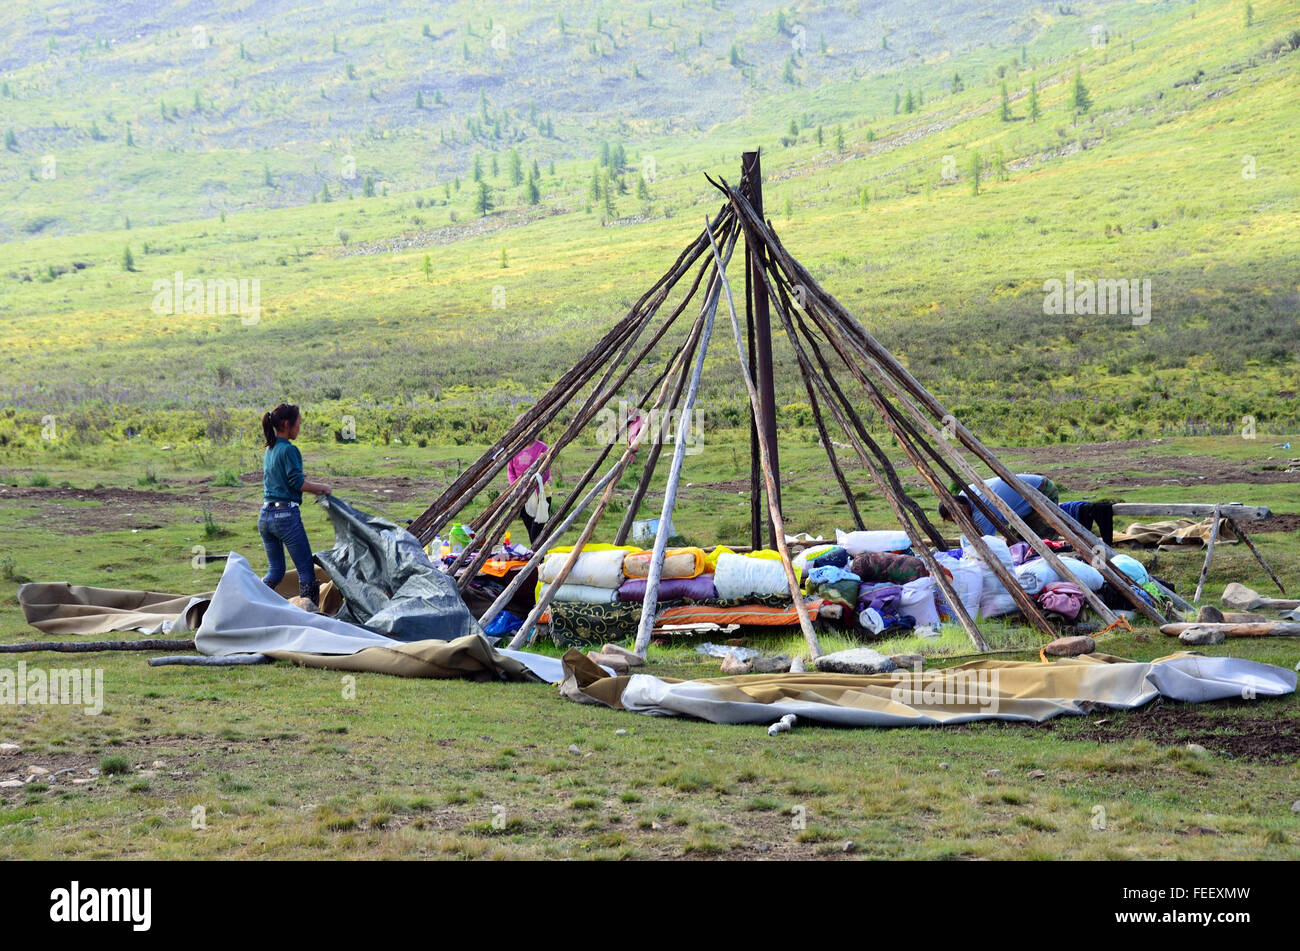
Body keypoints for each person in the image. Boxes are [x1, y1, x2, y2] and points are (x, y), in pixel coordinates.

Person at [259, 403, 332, 609]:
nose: (299, 429)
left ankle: (254, 602)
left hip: (265, 516)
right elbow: (297, 483)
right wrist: (323, 488)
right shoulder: (289, 450)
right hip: (285, 517)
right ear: (286, 424)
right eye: (298, 424)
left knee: (275, 572)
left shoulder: (270, 449)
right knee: (306, 572)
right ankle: (311, 619)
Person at [938, 473, 1060, 539]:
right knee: (1019, 539)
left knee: (1043, 539)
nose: (958, 523)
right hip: (1025, 496)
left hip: (1041, 490)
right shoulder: (964, 494)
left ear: (962, 508)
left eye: (956, 519)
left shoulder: (982, 512)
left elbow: (986, 544)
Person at [507, 436, 551, 545]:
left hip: (541, 496)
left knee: (536, 532)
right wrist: (518, 488)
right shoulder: (515, 449)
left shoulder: (541, 447)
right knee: (531, 532)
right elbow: (510, 472)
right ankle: (538, 558)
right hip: (522, 497)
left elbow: (546, 472)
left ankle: (537, 558)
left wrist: (533, 489)